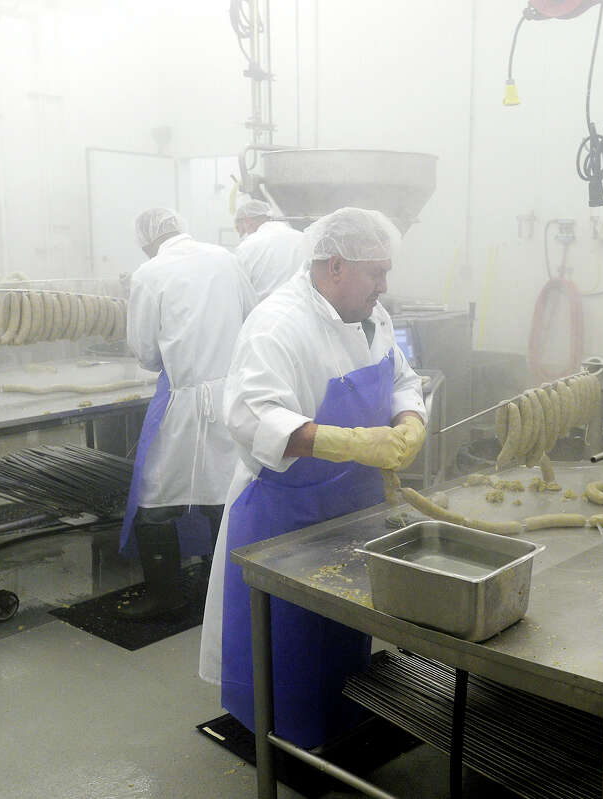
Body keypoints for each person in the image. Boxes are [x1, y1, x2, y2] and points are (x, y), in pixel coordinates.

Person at [200, 207, 427, 748]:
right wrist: (348, 442)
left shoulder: (372, 316)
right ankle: (283, 743)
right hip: (287, 510)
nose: (384, 285)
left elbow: (402, 377)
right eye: (376, 273)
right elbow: (252, 414)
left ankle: (337, 725)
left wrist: (409, 420)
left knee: (344, 632)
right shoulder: (278, 324)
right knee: (289, 641)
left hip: (352, 504)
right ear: (336, 267)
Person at [119, 208, 257, 620]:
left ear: (146, 241)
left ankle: (167, 597)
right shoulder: (227, 259)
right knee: (225, 495)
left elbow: (146, 352)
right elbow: (253, 320)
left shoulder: (149, 273)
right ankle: (223, 593)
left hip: (183, 401)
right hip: (234, 396)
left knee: (156, 497)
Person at [232, 196, 305, 300]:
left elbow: (239, 290)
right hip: (302, 306)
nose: (244, 235)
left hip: (264, 308)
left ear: (247, 221)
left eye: (242, 230)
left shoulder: (247, 246)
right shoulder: (302, 238)